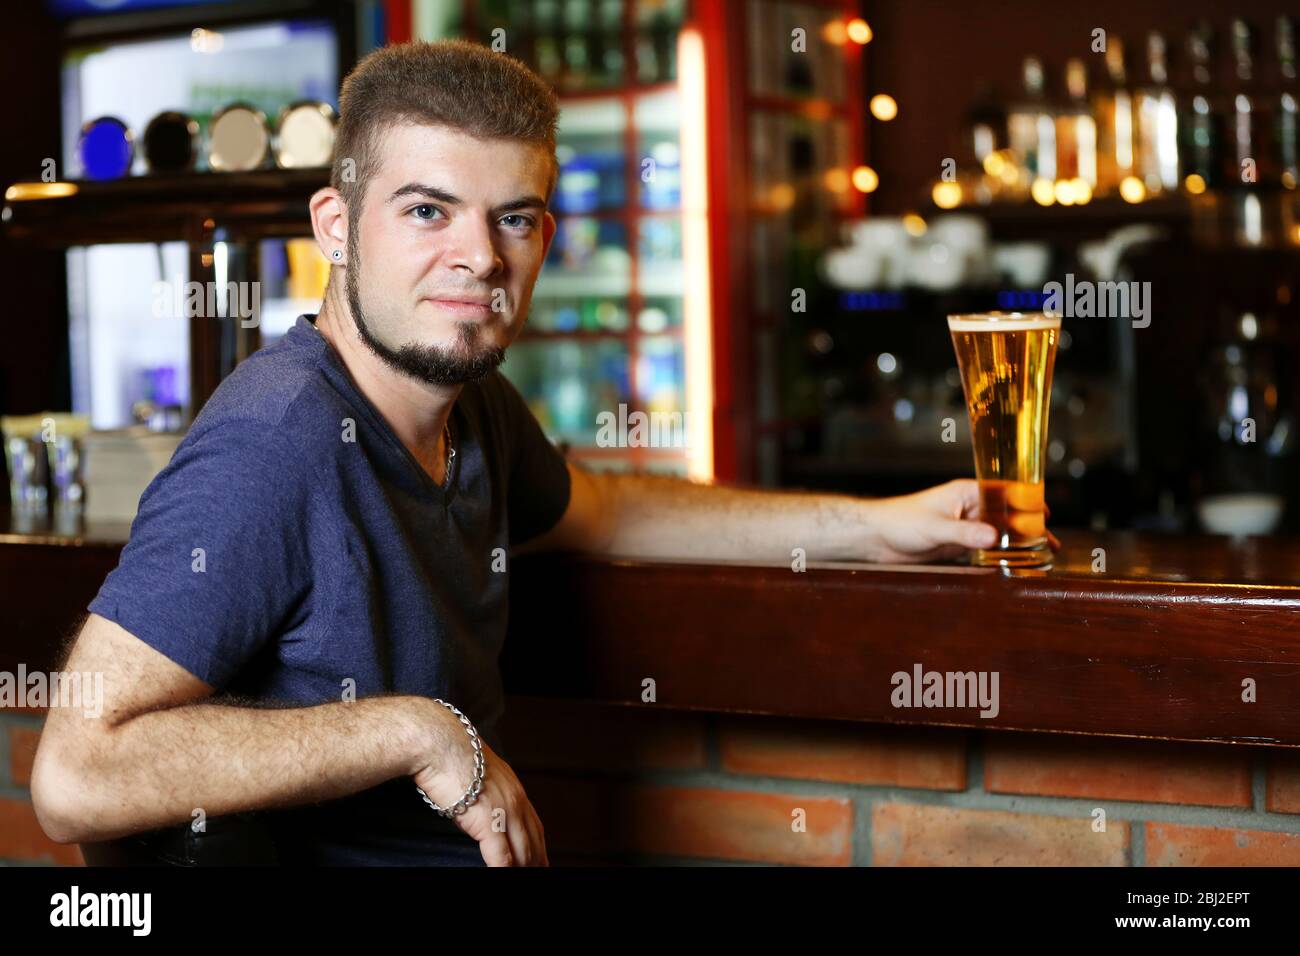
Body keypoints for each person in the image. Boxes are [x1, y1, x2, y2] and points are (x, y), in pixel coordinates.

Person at [31, 39, 1002, 867]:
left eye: (515, 218)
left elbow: (608, 509)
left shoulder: (474, 402)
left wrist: (872, 524)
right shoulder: (274, 443)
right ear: (335, 227)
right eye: (426, 210)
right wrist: (416, 729)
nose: (480, 257)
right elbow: (75, 774)